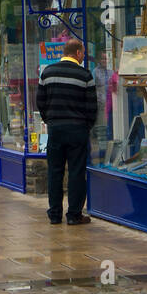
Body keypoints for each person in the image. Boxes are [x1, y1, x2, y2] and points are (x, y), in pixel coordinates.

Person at [36, 37, 95, 225]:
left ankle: (54, 214)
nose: (83, 56)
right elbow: (92, 107)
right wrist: (86, 126)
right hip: (77, 129)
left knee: (55, 171)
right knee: (76, 172)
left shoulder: (47, 73)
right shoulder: (85, 75)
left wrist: (50, 121)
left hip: (55, 129)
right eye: (83, 53)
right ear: (77, 53)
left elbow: (40, 102)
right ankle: (74, 215)